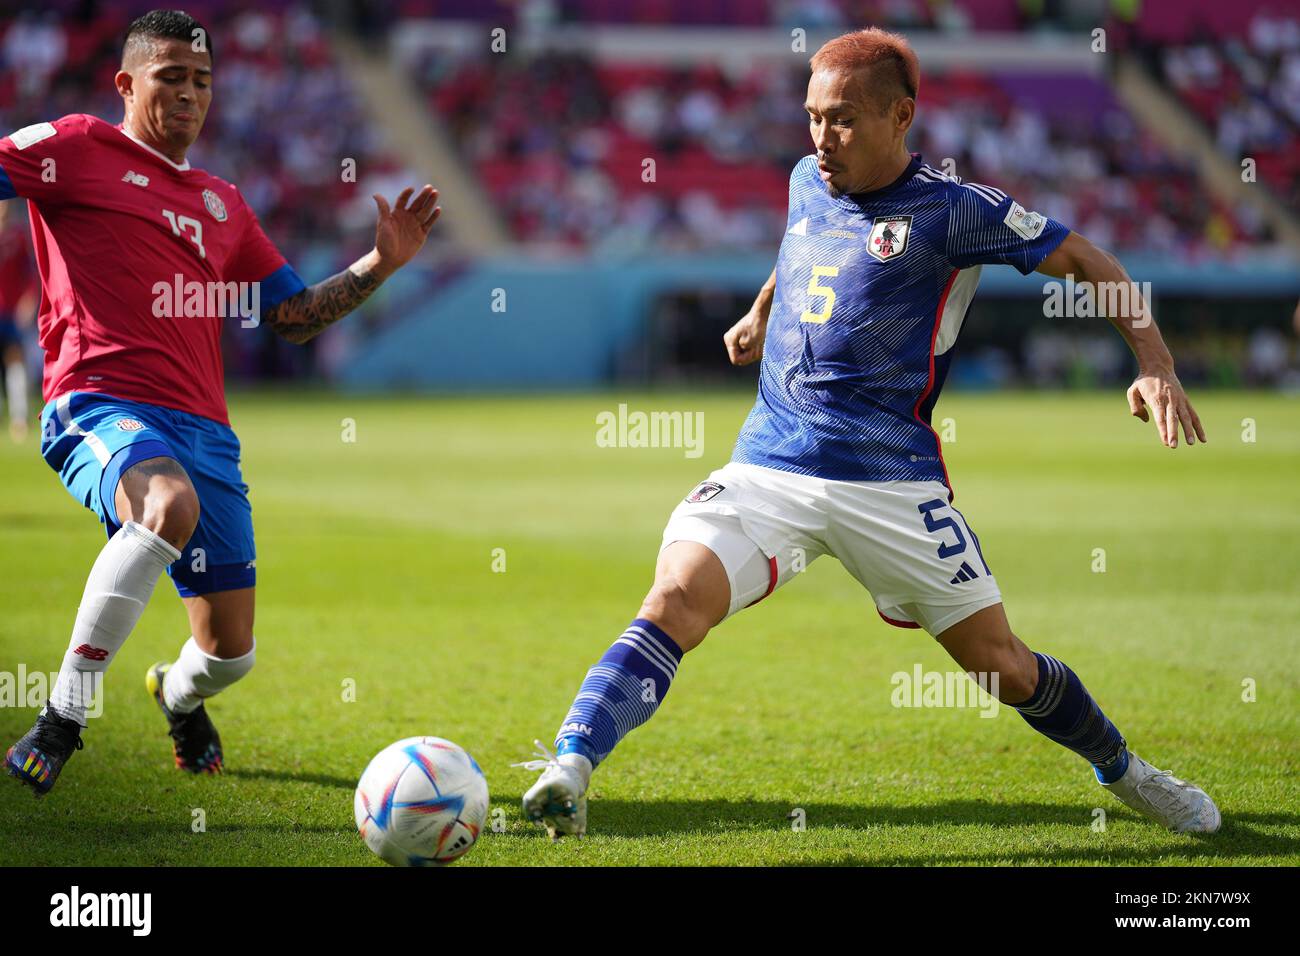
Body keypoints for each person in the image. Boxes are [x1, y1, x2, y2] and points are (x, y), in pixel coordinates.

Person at [518, 27, 1219, 838]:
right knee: (674, 599)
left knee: (1002, 668)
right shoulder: (805, 180)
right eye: (813, 117)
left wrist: (1155, 363)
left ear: (902, 117)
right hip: (769, 466)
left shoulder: (958, 211)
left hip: (891, 482)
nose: (822, 138)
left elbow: (1091, 262)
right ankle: (571, 765)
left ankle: (1127, 772)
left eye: (844, 120)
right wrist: (759, 310)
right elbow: (802, 251)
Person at [3, 9, 441, 795]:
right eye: (171, 77)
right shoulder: (74, 147)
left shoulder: (222, 204)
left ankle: (174, 695)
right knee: (164, 508)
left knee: (231, 655)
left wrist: (381, 262)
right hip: (98, 402)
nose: (190, 94)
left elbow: (295, 319)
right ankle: (62, 718)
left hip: (206, 430)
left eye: (202, 80)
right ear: (126, 84)